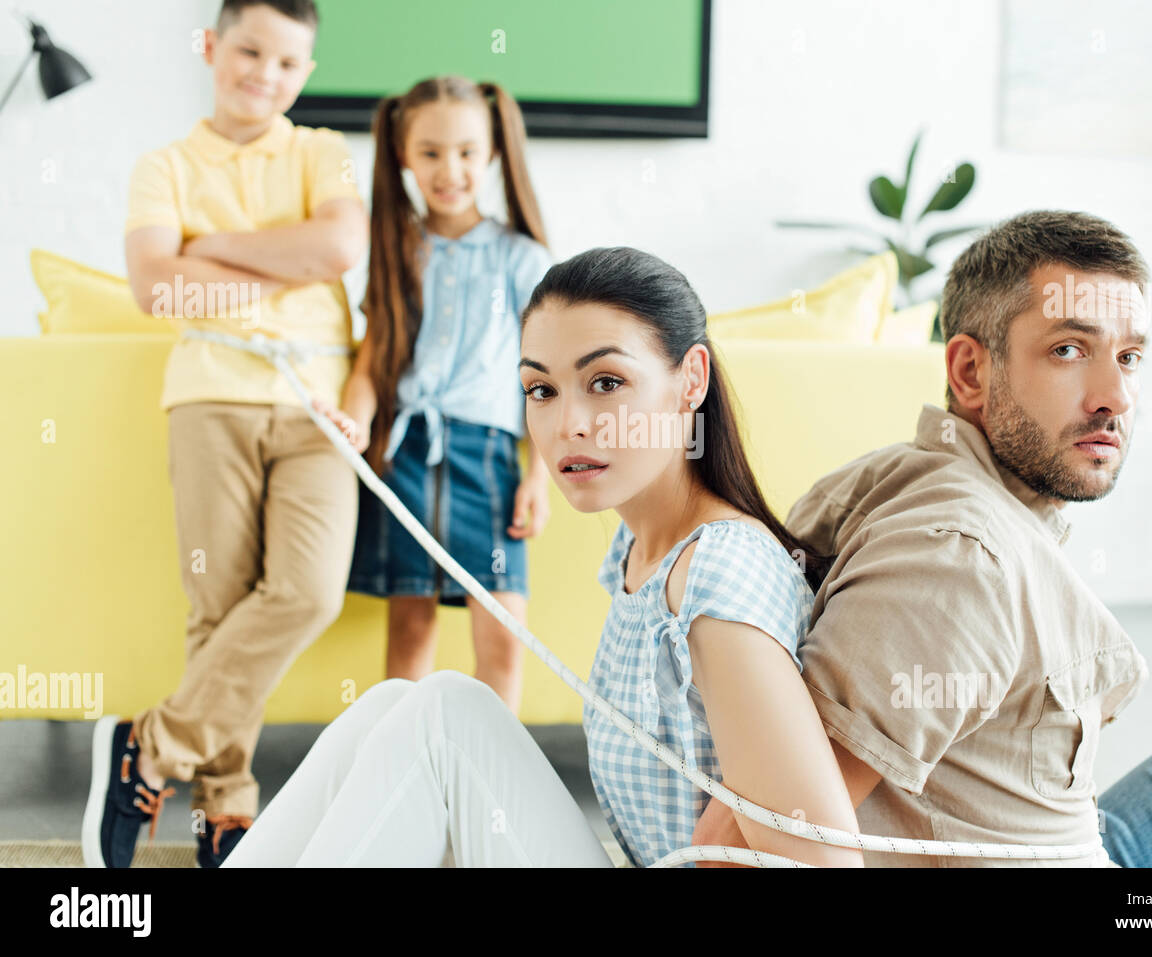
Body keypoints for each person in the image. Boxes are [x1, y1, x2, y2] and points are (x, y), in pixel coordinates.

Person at [691, 209, 1152, 867]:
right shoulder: (957, 558)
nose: (1115, 396)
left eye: (1129, 357)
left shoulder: (910, 477)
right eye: (1069, 349)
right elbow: (738, 843)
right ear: (971, 372)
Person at [224, 246, 863, 867]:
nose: (569, 424)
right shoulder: (639, 553)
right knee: (395, 704)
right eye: (541, 390)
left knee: (446, 714)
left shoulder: (717, 568)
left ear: (690, 381)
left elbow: (824, 859)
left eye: (605, 382)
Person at [83, 0, 366, 869]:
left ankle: (148, 747)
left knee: (307, 590)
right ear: (211, 46)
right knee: (220, 603)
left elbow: (339, 250)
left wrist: (212, 248)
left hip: (318, 407)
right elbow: (157, 288)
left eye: (288, 64)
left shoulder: (321, 151)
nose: (265, 75)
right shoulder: (162, 165)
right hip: (211, 398)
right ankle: (227, 810)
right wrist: (284, 255)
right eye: (250, 52)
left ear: (307, 74)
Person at [312, 76, 553, 712]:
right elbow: (373, 361)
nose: (450, 170)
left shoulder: (521, 258)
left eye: (468, 152)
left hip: (490, 462)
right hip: (407, 454)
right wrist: (355, 423)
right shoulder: (394, 249)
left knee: (501, 636)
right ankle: (407, 774)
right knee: (411, 629)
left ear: (494, 153)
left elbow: (548, 381)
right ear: (402, 157)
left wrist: (540, 477)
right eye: (430, 153)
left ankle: (488, 786)